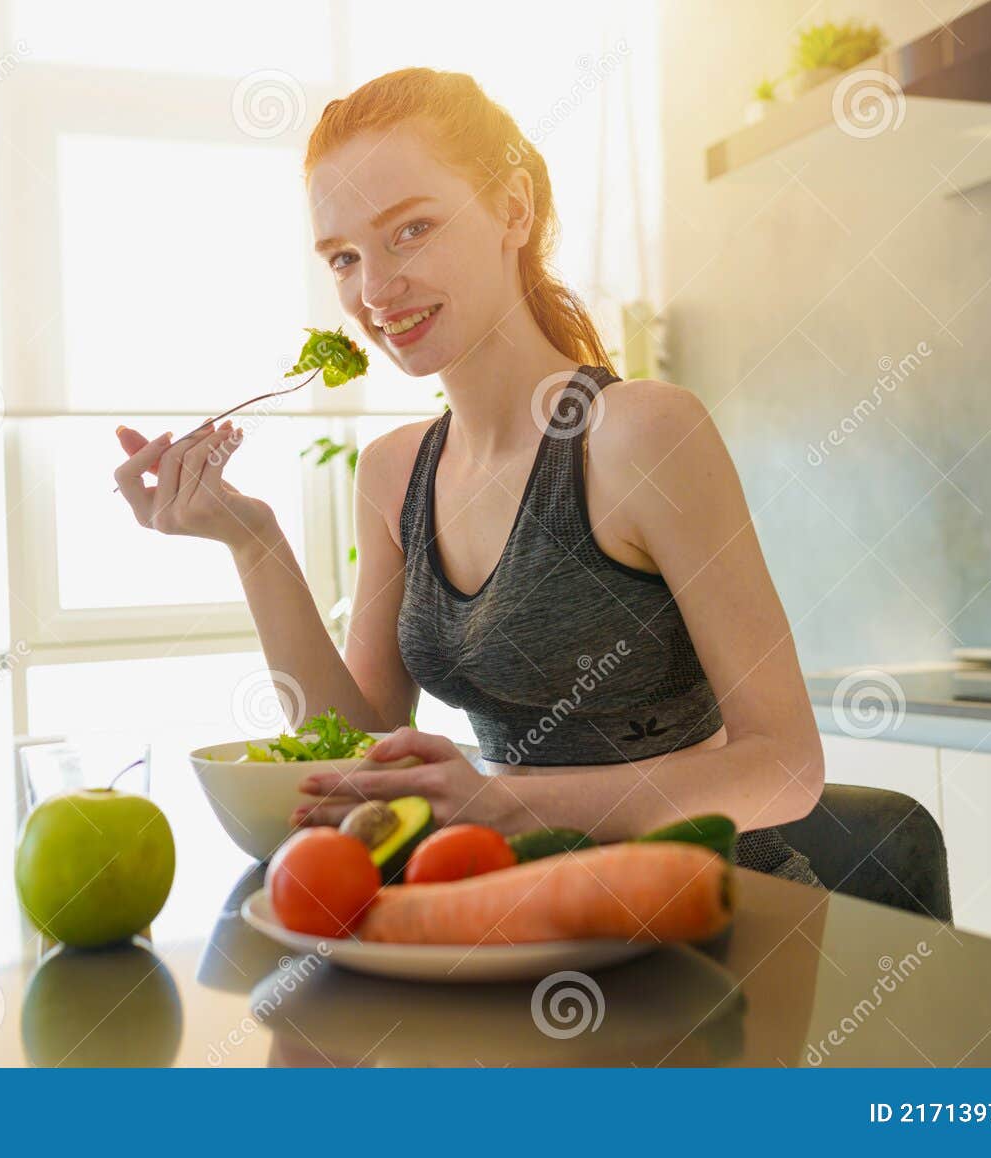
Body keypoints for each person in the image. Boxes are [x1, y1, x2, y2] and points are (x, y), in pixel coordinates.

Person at [113, 68, 823, 883]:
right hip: (517, 913)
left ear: (512, 210)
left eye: (411, 230)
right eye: (344, 256)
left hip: (719, 912)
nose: (375, 290)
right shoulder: (392, 474)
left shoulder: (640, 434)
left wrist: (499, 803)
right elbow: (362, 748)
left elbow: (786, 767)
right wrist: (254, 545)